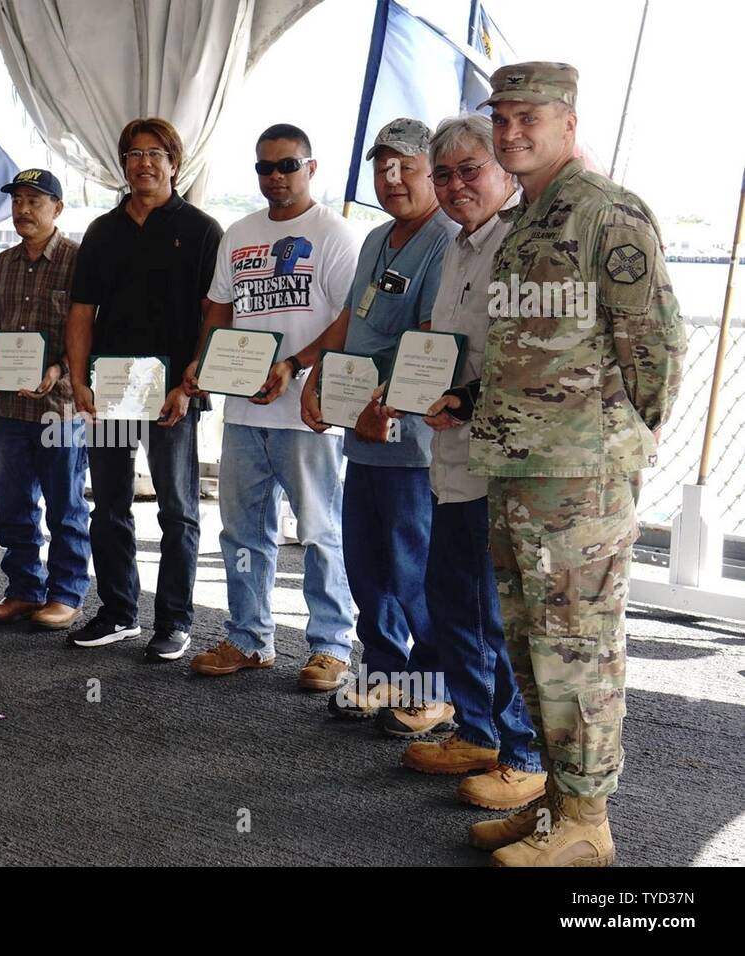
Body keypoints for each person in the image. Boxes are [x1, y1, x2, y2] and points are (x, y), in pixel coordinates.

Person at [464, 63, 685, 866]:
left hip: (577, 477)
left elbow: (656, 346)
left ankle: (588, 824)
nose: (512, 131)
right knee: (530, 640)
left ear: (567, 120)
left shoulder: (606, 212)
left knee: (577, 646)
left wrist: (620, 450)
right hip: (521, 467)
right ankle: (557, 803)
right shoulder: (528, 217)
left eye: (531, 117)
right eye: (503, 117)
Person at [380, 114, 546, 813]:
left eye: (468, 170)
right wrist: (414, 384)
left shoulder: (521, 243)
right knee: (453, 604)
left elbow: (532, 355)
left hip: (500, 461)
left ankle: (525, 753)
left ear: (505, 172)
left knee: (495, 612)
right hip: (449, 454)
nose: (454, 185)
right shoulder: (458, 248)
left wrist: (461, 394)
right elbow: (441, 342)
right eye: (442, 174)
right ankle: (477, 732)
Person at [182, 124, 359, 687]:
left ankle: (331, 646)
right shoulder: (239, 232)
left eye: (287, 165)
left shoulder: (335, 233)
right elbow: (217, 306)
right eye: (265, 167)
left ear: (312, 167)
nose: (276, 177)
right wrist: (203, 361)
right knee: (241, 533)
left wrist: (294, 365)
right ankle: (248, 638)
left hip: (308, 413)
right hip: (244, 413)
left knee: (319, 530)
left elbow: (350, 318)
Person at [299, 118, 458, 733]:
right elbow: (350, 317)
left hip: (411, 438)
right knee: (367, 564)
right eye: (381, 165)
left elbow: (429, 342)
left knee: (414, 567)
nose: (392, 178)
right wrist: (315, 374)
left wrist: (378, 401)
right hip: (360, 433)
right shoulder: (376, 239)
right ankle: (386, 670)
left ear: (432, 170)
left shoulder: (447, 240)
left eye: (406, 166)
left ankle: (434, 686)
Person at [66, 117, 223, 661]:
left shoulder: (202, 230)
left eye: (156, 154)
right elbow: (82, 311)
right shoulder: (103, 231)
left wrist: (192, 381)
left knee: (178, 509)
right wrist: (79, 377)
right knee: (108, 504)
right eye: (134, 155)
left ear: (174, 163)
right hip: (110, 389)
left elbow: (214, 314)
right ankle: (118, 612)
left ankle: (175, 621)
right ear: (124, 164)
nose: (145, 163)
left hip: (175, 391)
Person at [0, 169, 90, 630]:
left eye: (35, 202)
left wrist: (58, 370)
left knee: (66, 505)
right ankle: (24, 588)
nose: (23, 210)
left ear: (57, 209)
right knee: (13, 503)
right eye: (18, 201)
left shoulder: (79, 261)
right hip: (9, 406)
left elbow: (86, 335)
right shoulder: (2, 264)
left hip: (58, 406)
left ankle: (65, 593)